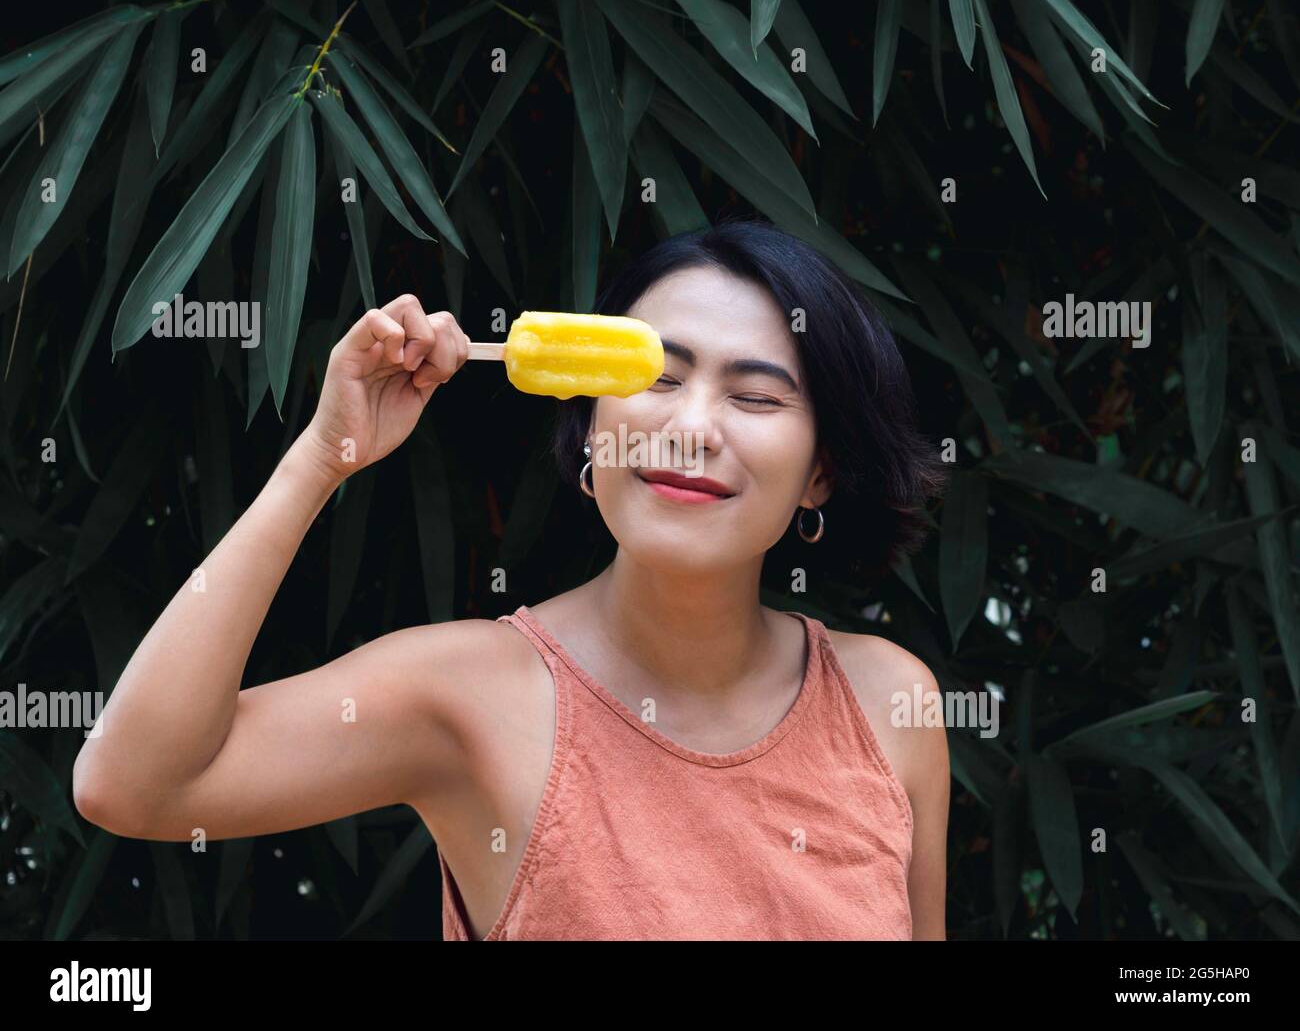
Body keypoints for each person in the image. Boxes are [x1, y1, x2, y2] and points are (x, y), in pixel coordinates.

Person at [73, 219, 951, 941]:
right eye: (654, 378)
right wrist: (320, 459)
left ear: (822, 471)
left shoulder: (888, 705)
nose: (691, 427)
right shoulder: (471, 696)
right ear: (592, 417)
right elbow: (133, 782)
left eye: (755, 398)